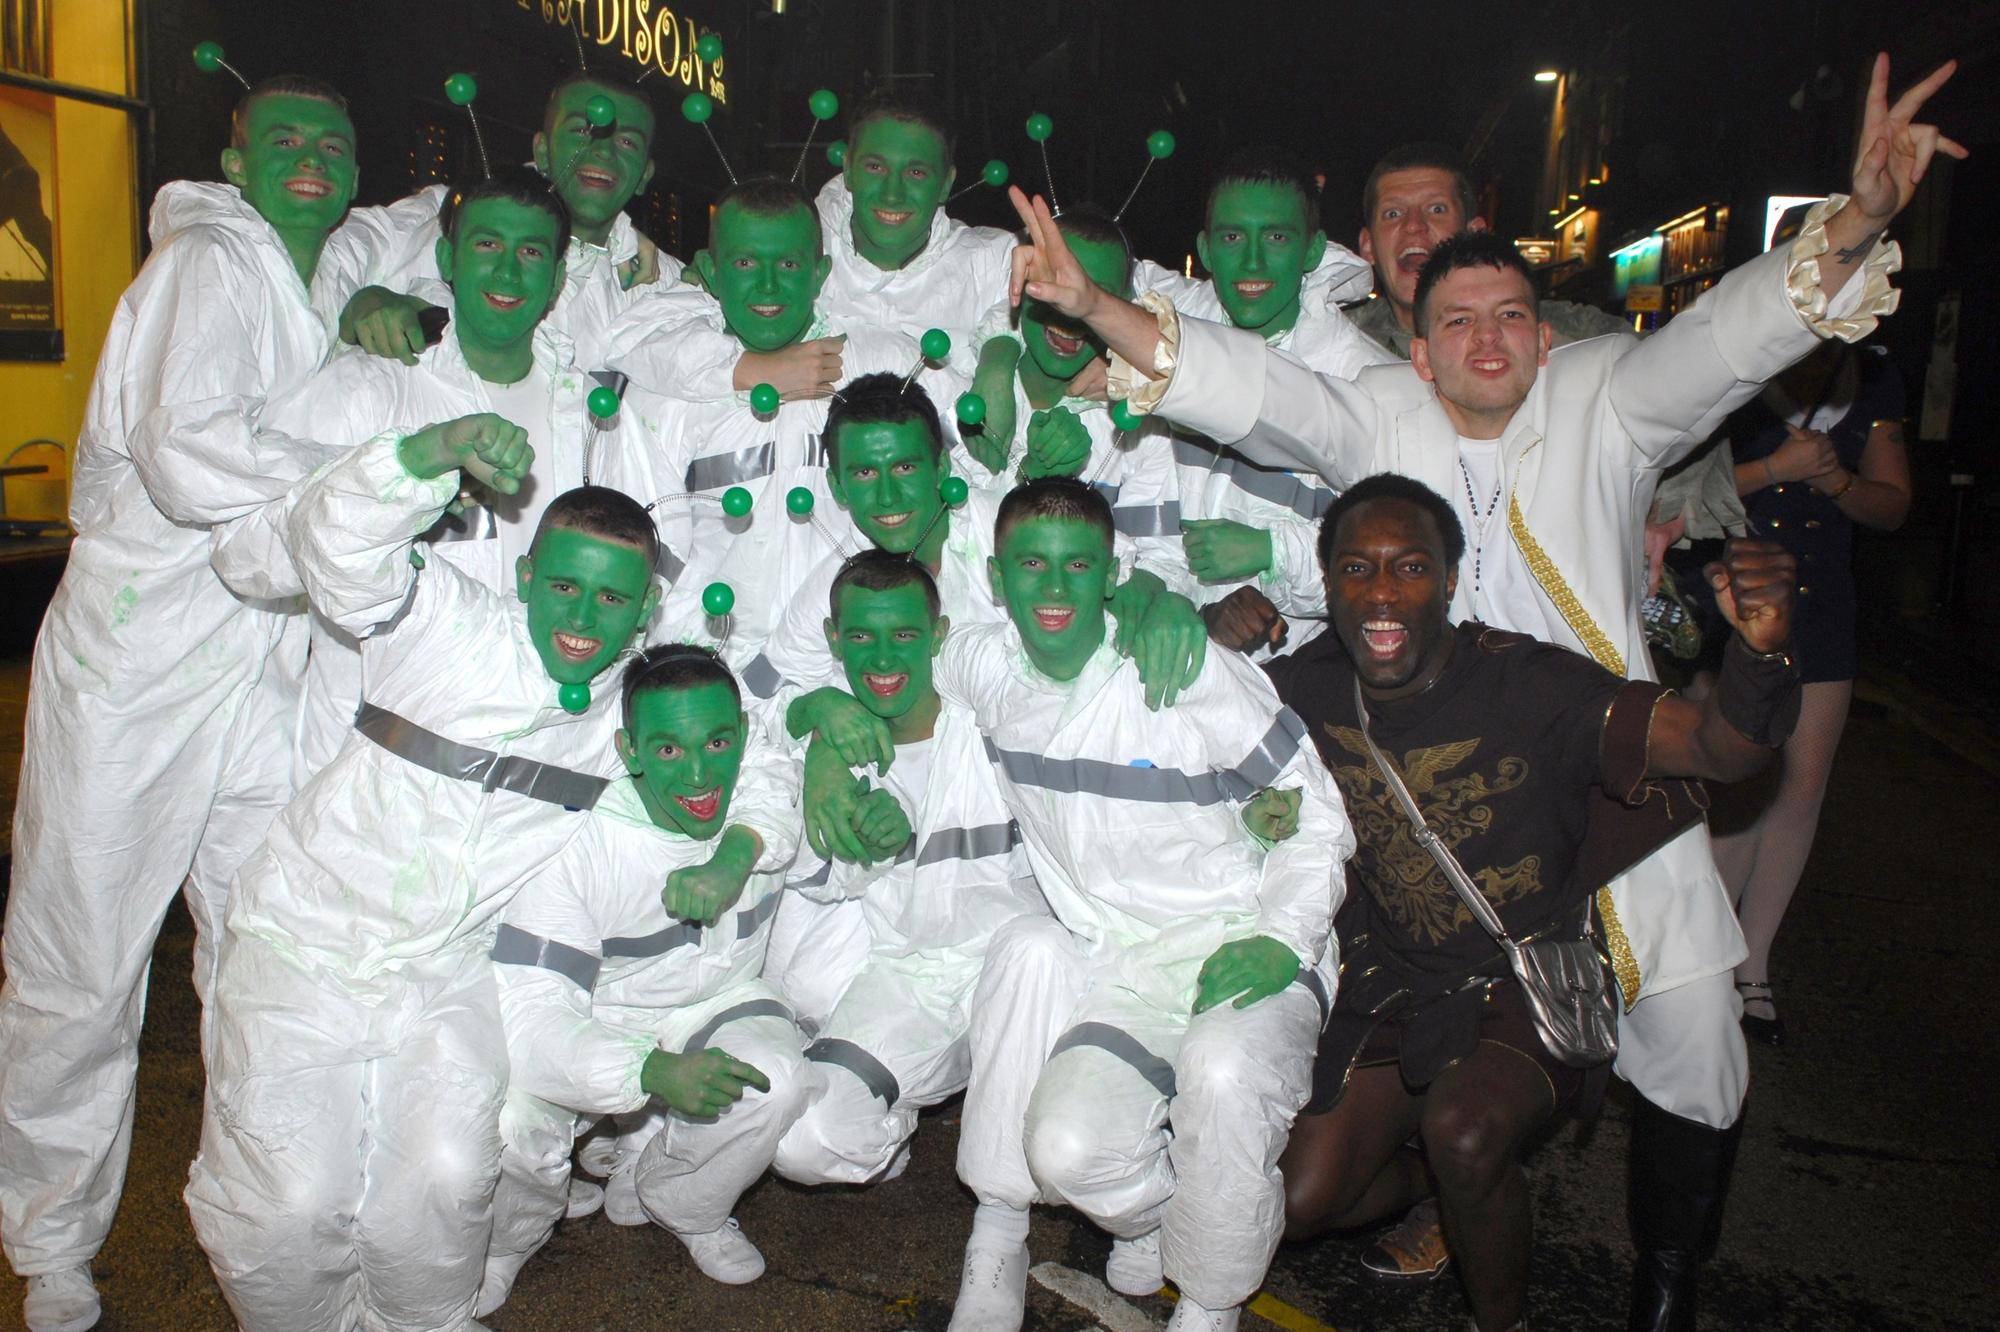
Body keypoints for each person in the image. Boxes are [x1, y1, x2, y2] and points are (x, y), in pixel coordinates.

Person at [1003, 51, 1961, 1329]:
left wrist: (1857, 221)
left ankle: (1664, 1289)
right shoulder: (1377, 415)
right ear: (1417, 341)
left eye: (1508, 313)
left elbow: (1727, 338)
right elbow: (1248, 390)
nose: (1486, 339)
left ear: (1538, 321)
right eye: (1456, 321)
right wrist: (1099, 310)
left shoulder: (1605, 395)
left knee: (1697, 1054)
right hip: (1430, 824)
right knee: (1371, 1121)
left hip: (1615, 783)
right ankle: (1423, 1200)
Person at [1269, 475, 1803, 1332]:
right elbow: (1198, 728)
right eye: (1356, 569)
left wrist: (1761, 656)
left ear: (1449, 580)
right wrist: (1216, 630)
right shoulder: (1308, 685)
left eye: (1410, 567)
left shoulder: (1533, 686)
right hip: (1394, 986)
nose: (1381, 593)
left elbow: (1719, 750)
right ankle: (1453, 1197)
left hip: (1521, 984)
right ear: (1328, 583)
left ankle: (1501, 1313)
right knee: (1298, 1201)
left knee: (1468, 1131)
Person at [0, 75, 364, 1332]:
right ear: (235, 158)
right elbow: (190, 454)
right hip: (138, 664)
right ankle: (50, 1240)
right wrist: (379, 474)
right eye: (286, 143)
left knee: (264, 954)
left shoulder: (327, 272)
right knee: (82, 961)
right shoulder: (208, 262)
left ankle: (273, 1220)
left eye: (333, 144)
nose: (312, 161)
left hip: (266, 661)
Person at [182, 427, 661, 1331]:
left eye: (613, 598)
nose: (583, 617)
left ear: (646, 609)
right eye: (563, 584)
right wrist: (422, 457)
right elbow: (339, 543)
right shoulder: (443, 621)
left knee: (443, 1181)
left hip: (444, 975)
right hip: (302, 949)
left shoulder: (626, 712)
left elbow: (734, 742)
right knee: (290, 1201)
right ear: (524, 575)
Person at [940, 479, 1352, 1332]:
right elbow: (891, 676)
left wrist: (1285, 936)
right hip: (1123, 965)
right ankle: (1166, 1214)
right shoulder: (984, 667)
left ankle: (1210, 1302)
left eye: (1078, 566)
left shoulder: (1181, 664)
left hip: (1246, 940)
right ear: (995, 575)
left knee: (1225, 1071)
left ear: (1110, 572)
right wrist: (825, 715)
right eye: (1031, 565)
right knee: (1061, 1154)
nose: (1053, 589)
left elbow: (1314, 811)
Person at [751, 374, 1205, 1030]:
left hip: (1031, 814)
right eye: (864, 473)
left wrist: (1159, 599)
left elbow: (1129, 574)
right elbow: (758, 698)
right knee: (799, 992)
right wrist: (816, 718)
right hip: (902, 834)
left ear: (942, 464)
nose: (888, 495)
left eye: (906, 466)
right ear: (838, 486)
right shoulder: (839, 580)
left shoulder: (1003, 525)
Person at [217, 168, 618, 782]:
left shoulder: (592, 411)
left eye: (531, 251)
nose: (508, 272)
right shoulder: (367, 388)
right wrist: (399, 488)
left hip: (540, 761)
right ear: (446, 259)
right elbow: (245, 554)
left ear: (559, 278)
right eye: (487, 244)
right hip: (381, 764)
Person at [480, 645, 805, 1311]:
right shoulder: (575, 844)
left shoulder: (763, 787)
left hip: (721, 1000)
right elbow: (533, 1017)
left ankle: (681, 1196)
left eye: (718, 741)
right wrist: (649, 1073)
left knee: (780, 1081)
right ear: (628, 749)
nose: (697, 772)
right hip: (601, 1019)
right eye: (666, 750)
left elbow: (777, 778)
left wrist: (737, 852)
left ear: (743, 732)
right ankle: (511, 1239)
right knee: (510, 1118)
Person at [594, 176, 966, 663]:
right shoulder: (664, 392)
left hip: (855, 667)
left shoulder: (883, 360)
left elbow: (975, 461)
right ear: (709, 270)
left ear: (820, 272)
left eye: (789, 264)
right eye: (745, 262)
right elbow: (649, 551)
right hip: (716, 670)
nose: (768, 285)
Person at [769, 554, 1044, 1187]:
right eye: (861, 636)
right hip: (913, 977)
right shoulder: (845, 745)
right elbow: (823, 878)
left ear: (940, 635)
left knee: (1063, 1140)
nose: (884, 660)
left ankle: (1027, 1199)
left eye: (905, 635)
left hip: (1027, 976)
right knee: (802, 1144)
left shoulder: (993, 724)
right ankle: (892, 1121)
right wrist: (873, 844)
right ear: (834, 640)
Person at [1709, 337, 1910, 1042]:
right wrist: (1777, 468)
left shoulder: (1873, 377)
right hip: (1734, 599)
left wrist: (1838, 483)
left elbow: (1892, 505)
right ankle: (1703, 959)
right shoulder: (1733, 363)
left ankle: (1753, 966)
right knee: (1737, 780)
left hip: (1823, 605)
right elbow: (1670, 490)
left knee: (1802, 788)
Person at [1123, 148, 1395, 656]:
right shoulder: (1175, 332)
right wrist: (1162, 590)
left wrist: (1269, 552)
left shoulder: (1364, 376)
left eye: (1276, 237)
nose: (1251, 262)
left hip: (1295, 673)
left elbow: (1386, 561)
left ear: (1313, 249)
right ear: (1205, 249)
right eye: (1232, 237)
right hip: (1168, 644)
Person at [336, 71, 678, 372]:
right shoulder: (446, 214)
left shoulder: (665, 283)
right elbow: (333, 252)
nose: (604, 151)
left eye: (627, 141)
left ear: (645, 175)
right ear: (542, 150)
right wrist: (365, 299)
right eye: (582, 130)